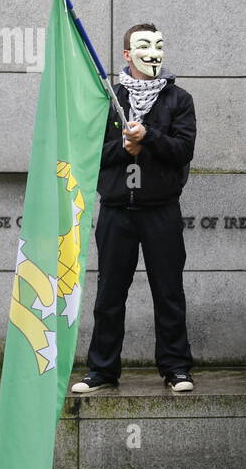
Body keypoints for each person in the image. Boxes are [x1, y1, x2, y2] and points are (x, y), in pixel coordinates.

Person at [74, 23, 197, 394]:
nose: (153, 52)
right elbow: (89, 152)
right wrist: (123, 149)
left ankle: (176, 368)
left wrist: (150, 138)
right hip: (116, 212)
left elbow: (183, 150)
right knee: (109, 294)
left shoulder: (180, 99)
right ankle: (102, 371)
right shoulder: (106, 99)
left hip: (161, 210)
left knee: (169, 292)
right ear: (127, 55)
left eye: (158, 45)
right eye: (143, 46)